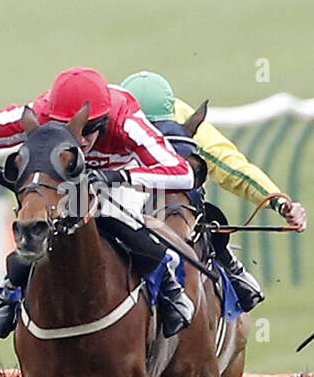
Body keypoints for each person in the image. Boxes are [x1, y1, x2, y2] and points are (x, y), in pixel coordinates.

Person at [0, 66, 198, 338]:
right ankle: (11, 290)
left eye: (89, 129)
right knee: (38, 226)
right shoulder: (41, 113)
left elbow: (182, 173)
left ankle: (169, 289)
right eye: (66, 129)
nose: (80, 140)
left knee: (122, 222)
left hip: (114, 183)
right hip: (62, 184)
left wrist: (120, 175)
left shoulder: (126, 121)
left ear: (104, 121)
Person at [120, 70, 307, 311]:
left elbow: (231, 166)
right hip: (126, 200)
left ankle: (229, 265)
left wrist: (279, 201)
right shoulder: (109, 119)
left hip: (177, 205)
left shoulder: (182, 115)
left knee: (208, 214)